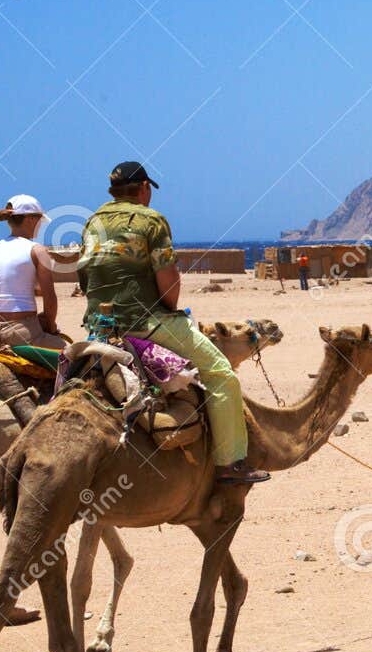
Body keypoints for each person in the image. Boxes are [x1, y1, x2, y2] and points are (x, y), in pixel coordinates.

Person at [77, 160, 268, 484]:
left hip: (99, 325)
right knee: (222, 375)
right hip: (145, 320)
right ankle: (230, 463)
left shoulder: (92, 222)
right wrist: (168, 307)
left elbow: (85, 280)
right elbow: (169, 284)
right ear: (144, 189)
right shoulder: (151, 220)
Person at [0, 194, 65, 349]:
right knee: (76, 358)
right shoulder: (37, 251)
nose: (41, 225)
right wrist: (50, 325)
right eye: (39, 220)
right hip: (25, 333)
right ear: (30, 220)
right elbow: (50, 299)